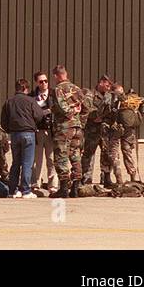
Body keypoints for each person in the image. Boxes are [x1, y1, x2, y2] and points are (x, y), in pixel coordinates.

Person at [0, 78, 46, 197]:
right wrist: (33, 123)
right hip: (28, 133)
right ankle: (25, 190)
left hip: (14, 134)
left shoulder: (9, 102)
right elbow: (39, 115)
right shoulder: (30, 100)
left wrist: (9, 129)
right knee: (27, 163)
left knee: (16, 163)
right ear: (26, 89)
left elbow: (3, 121)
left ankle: (12, 190)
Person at [49, 65, 85, 198]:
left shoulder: (58, 89)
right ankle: (75, 187)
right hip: (77, 127)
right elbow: (86, 105)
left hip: (64, 127)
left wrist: (69, 113)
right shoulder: (76, 88)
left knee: (61, 156)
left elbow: (61, 105)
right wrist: (79, 116)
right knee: (75, 155)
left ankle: (64, 188)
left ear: (56, 76)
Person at [112, 83, 144, 182]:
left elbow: (111, 113)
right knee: (127, 153)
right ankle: (132, 175)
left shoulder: (114, 99)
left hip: (115, 130)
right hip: (129, 131)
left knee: (114, 154)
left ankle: (118, 178)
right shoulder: (136, 100)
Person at [80, 75, 113, 183]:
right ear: (100, 83)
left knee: (106, 154)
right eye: (107, 85)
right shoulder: (90, 94)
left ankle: (106, 177)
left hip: (105, 130)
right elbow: (87, 109)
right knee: (89, 154)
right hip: (92, 130)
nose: (108, 88)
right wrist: (96, 116)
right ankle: (86, 177)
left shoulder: (110, 96)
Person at [30, 72, 58, 194]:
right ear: (37, 82)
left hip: (50, 130)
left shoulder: (53, 94)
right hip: (37, 130)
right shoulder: (32, 96)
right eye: (41, 81)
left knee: (51, 158)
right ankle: (36, 183)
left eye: (46, 81)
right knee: (37, 159)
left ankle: (53, 185)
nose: (44, 83)